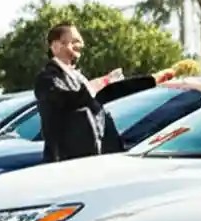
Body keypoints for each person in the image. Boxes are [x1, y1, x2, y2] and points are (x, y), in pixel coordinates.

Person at [35, 23, 177, 163]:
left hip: (95, 159)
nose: (81, 44)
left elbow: (108, 93)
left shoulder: (76, 76)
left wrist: (152, 80)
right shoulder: (48, 79)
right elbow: (71, 100)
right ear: (56, 46)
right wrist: (97, 84)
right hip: (70, 164)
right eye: (75, 41)